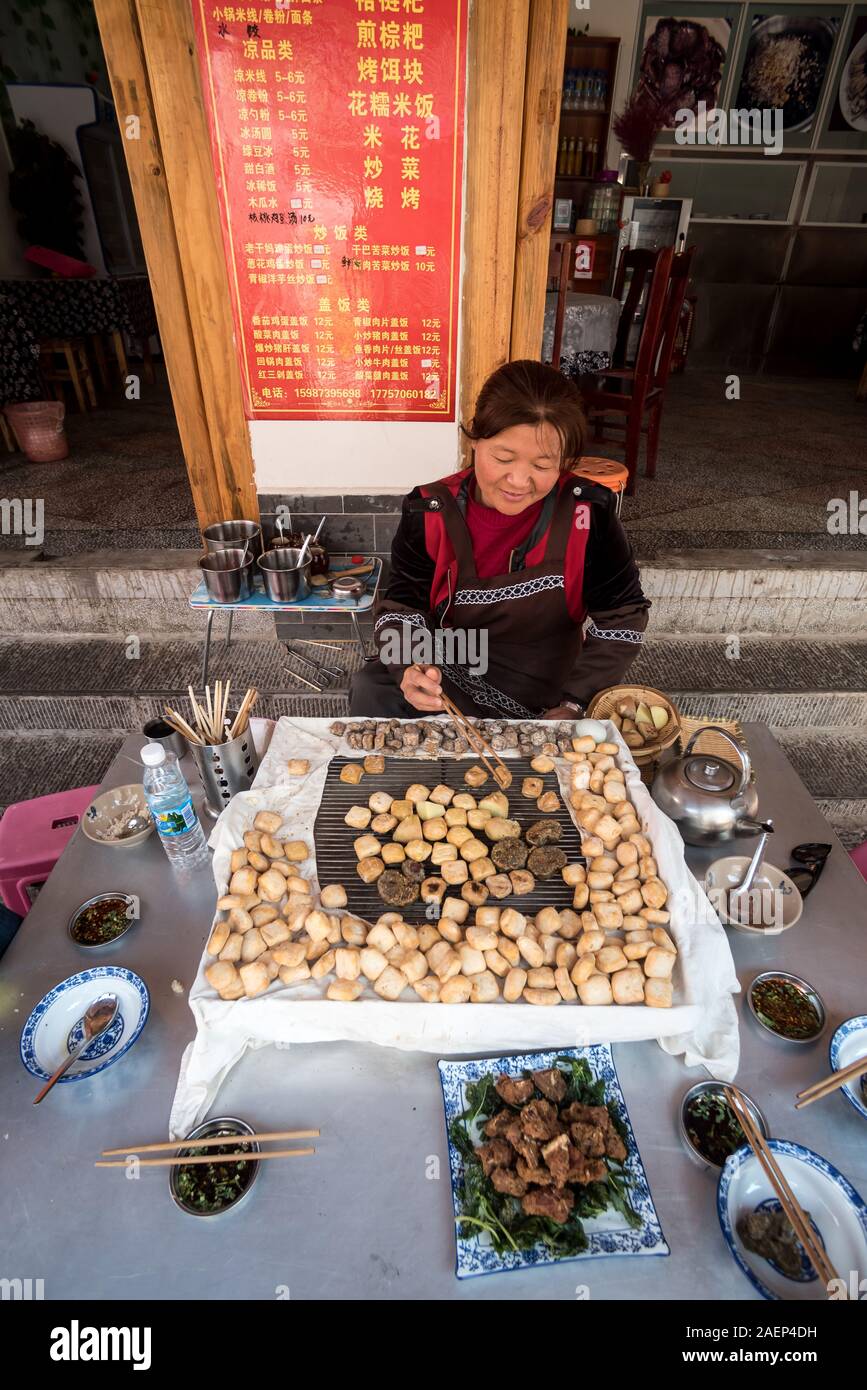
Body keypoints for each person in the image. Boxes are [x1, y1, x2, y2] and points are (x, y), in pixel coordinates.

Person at [350, 359, 649, 719]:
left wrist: (574, 703)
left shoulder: (588, 515)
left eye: (542, 466)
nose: (519, 481)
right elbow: (403, 607)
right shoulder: (429, 511)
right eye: (503, 458)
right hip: (452, 673)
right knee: (374, 687)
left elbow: (623, 618)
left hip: (546, 688)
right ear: (475, 440)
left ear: (564, 461)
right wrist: (410, 670)